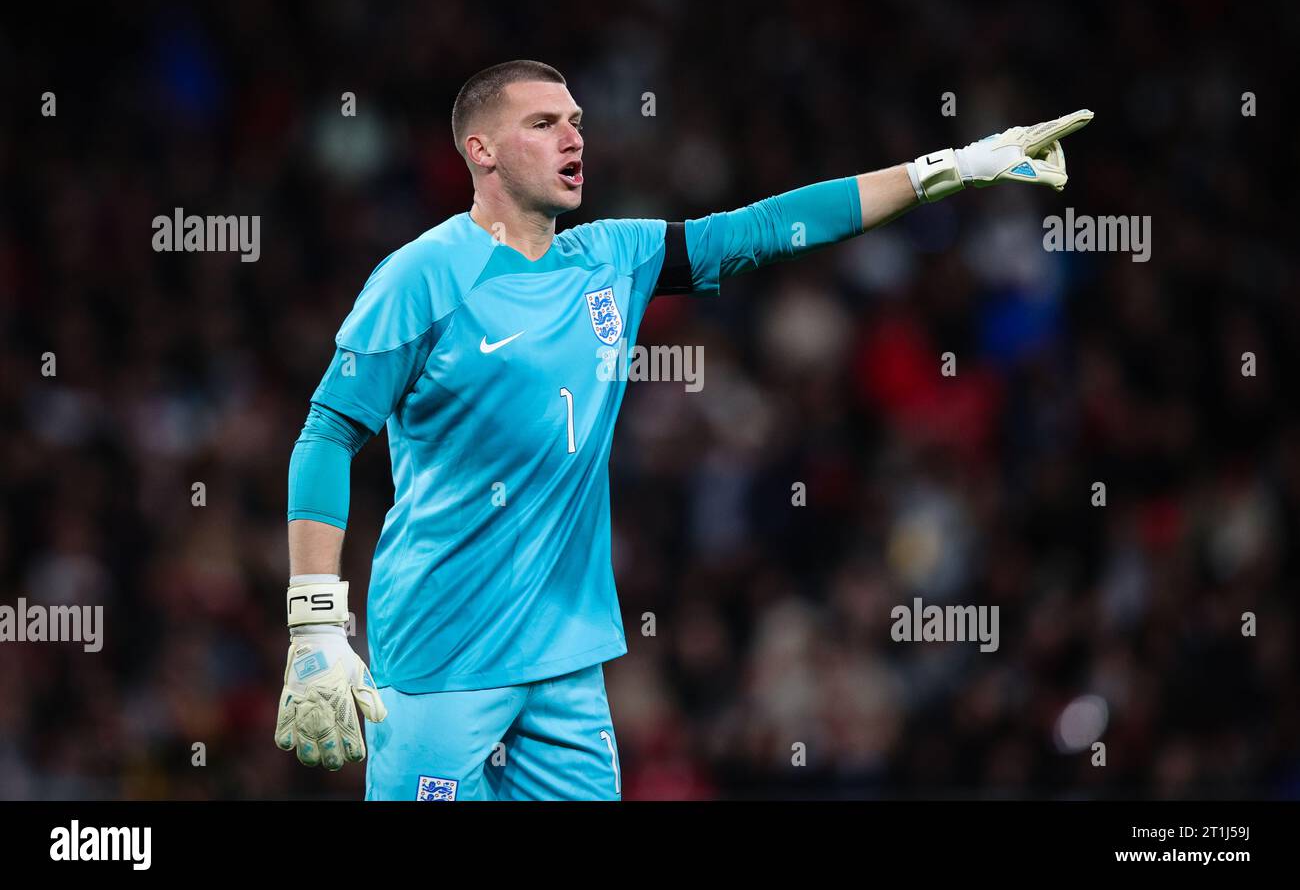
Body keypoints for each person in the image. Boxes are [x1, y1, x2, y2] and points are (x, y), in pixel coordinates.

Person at [274, 58, 1092, 800]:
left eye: (578, 122)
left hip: (565, 664)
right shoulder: (421, 276)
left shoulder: (611, 259)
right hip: (441, 657)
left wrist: (943, 171)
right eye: (545, 123)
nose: (573, 138)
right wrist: (315, 623)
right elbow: (327, 433)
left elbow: (760, 230)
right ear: (481, 151)